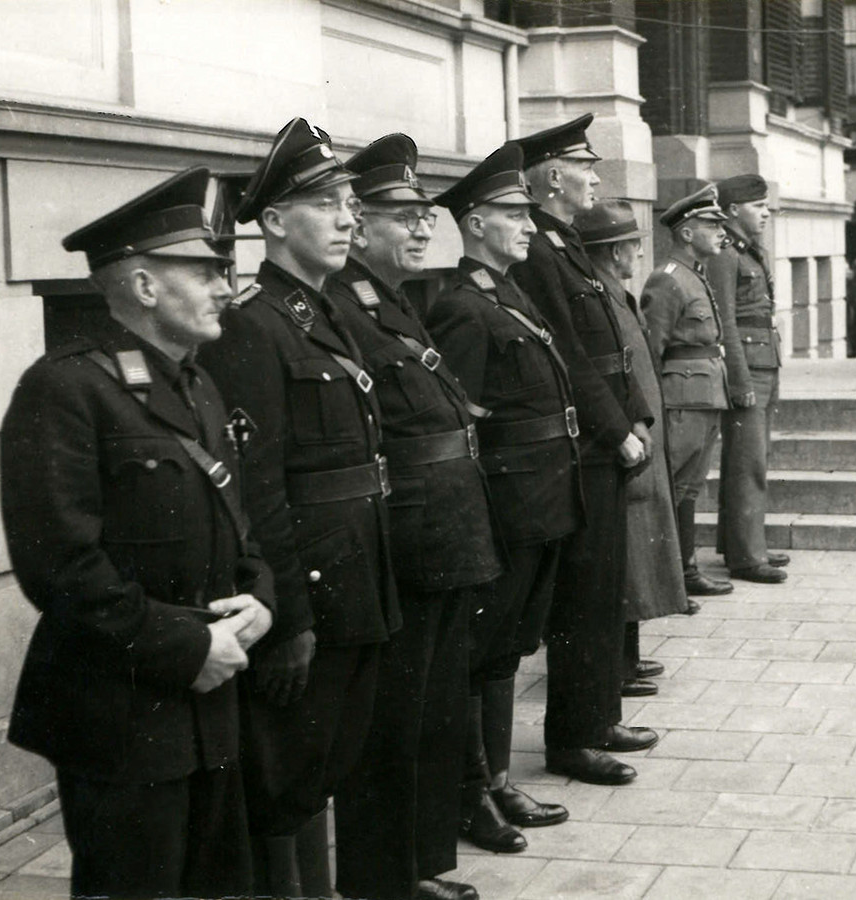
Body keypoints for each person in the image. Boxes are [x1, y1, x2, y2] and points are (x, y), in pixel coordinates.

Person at [1, 167, 275, 899]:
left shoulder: (198, 383)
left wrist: (261, 598)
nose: (226, 285)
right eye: (208, 269)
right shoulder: (64, 388)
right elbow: (57, 565)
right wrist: (186, 647)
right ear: (145, 286)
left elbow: (236, 528)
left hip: (211, 699)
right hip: (121, 709)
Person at [197, 119, 400, 898]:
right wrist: (290, 619)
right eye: (328, 203)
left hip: (358, 579)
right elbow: (259, 486)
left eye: (350, 201)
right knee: (283, 787)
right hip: (312, 591)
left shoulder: (329, 310)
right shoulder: (252, 324)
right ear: (275, 221)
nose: (350, 217)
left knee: (322, 770)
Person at [328, 133, 501, 900]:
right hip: (403, 539)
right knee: (394, 723)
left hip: (441, 533)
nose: (422, 227)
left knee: (430, 712)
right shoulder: (342, 305)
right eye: (401, 216)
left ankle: (421, 862)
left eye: (425, 213)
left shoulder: (392, 299)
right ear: (358, 224)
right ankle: (384, 878)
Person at [426, 142, 581, 854]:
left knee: (505, 653)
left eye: (526, 210)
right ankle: (471, 794)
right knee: (480, 654)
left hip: (543, 497)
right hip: (508, 504)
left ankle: (493, 782)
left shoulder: (506, 292)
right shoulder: (460, 306)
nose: (527, 224)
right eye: (513, 213)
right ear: (475, 222)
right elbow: (462, 423)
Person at [511, 114, 658, 787]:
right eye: (584, 167)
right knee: (584, 594)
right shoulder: (540, 252)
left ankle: (599, 716)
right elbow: (570, 356)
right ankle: (572, 738)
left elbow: (609, 349)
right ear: (550, 179)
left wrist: (634, 416)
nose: (596, 177)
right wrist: (617, 429)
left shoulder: (563, 243)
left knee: (601, 592)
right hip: (588, 447)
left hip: (605, 441)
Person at [576, 198, 692, 697]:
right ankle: (617, 665)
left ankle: (628, 656)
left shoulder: (616, 293)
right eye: (630, 247)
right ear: (613, 250)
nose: (635, 256)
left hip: (641, 437)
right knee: (626, 558)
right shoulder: (601, 295)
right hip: (625, 441)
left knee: (638, 554)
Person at [641, 184, 732, 598]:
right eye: (711, 224)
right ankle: (671, 578)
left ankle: (686, 570)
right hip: (679, 399)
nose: (720, 232)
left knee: (690, 488)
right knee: (675, 488)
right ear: (685, 232)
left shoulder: (696, 275)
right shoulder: (668, 279)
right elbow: (651, 352)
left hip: (706, 393)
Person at [707, 174, 791, 586]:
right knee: (748, 463)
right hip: (748, 370)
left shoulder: (750, 251)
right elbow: (724, 320)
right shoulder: (725, 253)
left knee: (753, 459)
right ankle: (747, 556)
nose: (765, 213)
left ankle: (743, 543)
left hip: (764, 364)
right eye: (758, 207)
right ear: (734, 210)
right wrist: (738, 381)